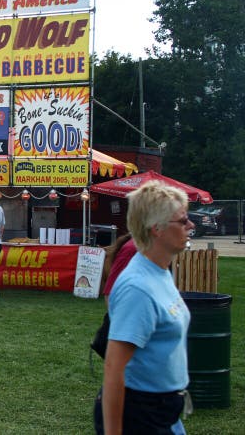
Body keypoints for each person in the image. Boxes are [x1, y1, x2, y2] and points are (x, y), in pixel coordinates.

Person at [96, 181, 193, 434]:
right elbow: (114, 369)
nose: (191, 225)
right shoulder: (138, 288)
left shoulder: (160, 272)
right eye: (183, 220)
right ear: (157, 228)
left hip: (164, 410)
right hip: (140, 414)